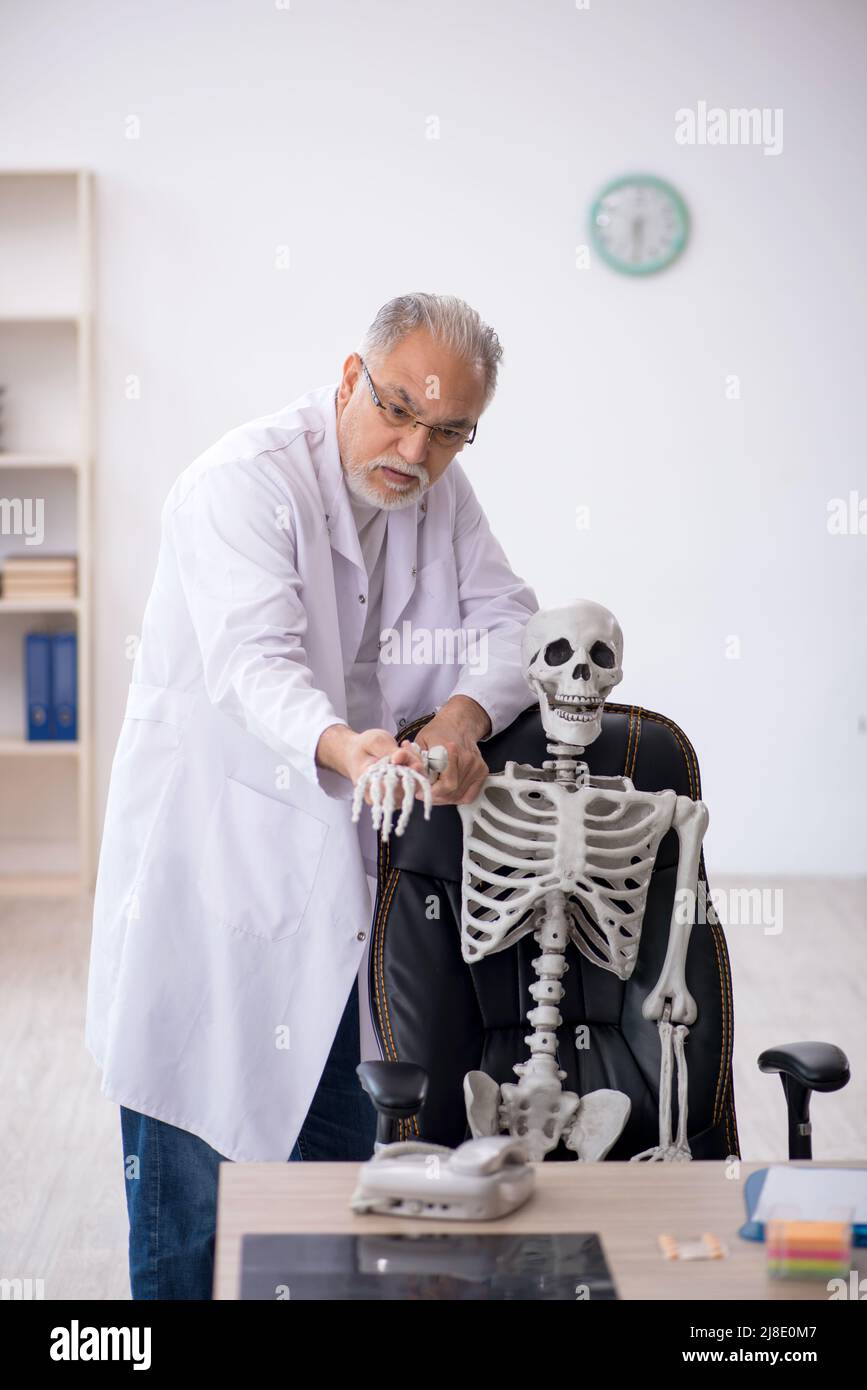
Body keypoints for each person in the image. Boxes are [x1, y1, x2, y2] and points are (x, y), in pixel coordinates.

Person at [85, 291, 539, 1298]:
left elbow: (509, 617)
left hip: (348, 899)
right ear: (348, 378)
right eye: (396, 411)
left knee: (333, 1202)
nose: (416, 451)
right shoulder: (241, 484)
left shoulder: (438, 493)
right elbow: (254, 666)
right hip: (212, 879)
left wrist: (461, 717)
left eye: (451, 430)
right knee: (191, 1210)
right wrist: (349, 746)